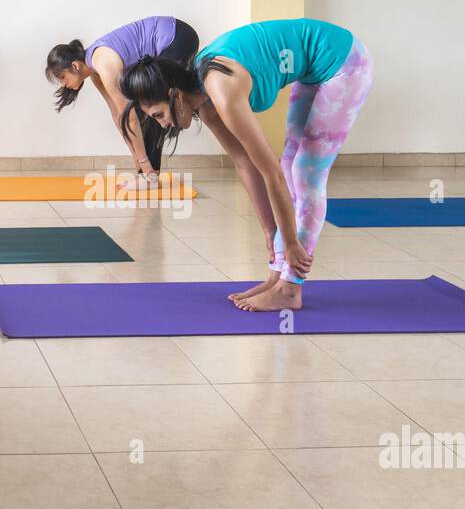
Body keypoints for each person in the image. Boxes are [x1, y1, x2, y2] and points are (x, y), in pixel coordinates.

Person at [119, 18, 373, 312]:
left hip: (345, 62)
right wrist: (269, 232)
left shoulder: (222, 90)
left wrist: (289, 240)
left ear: (174, 93)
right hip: (314, 69)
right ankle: (277, 277)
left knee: (305, 173)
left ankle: (290, 289)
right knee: (291, 164)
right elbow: (244, 164)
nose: (163, 124)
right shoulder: (206, 103)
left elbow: (269, 172)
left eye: (159, 114)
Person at [45, 16, 198, 184]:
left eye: (62, 77)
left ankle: (149, 176)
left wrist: (143, 162)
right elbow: (118, 115)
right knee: (142, 107)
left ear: (75, 66)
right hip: (172, 39)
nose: (63, 84)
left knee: (150, 103)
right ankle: (146, 175)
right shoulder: (96, 73)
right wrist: (137, 158)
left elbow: (130, 117)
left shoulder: (103, 65)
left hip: (176, 37)